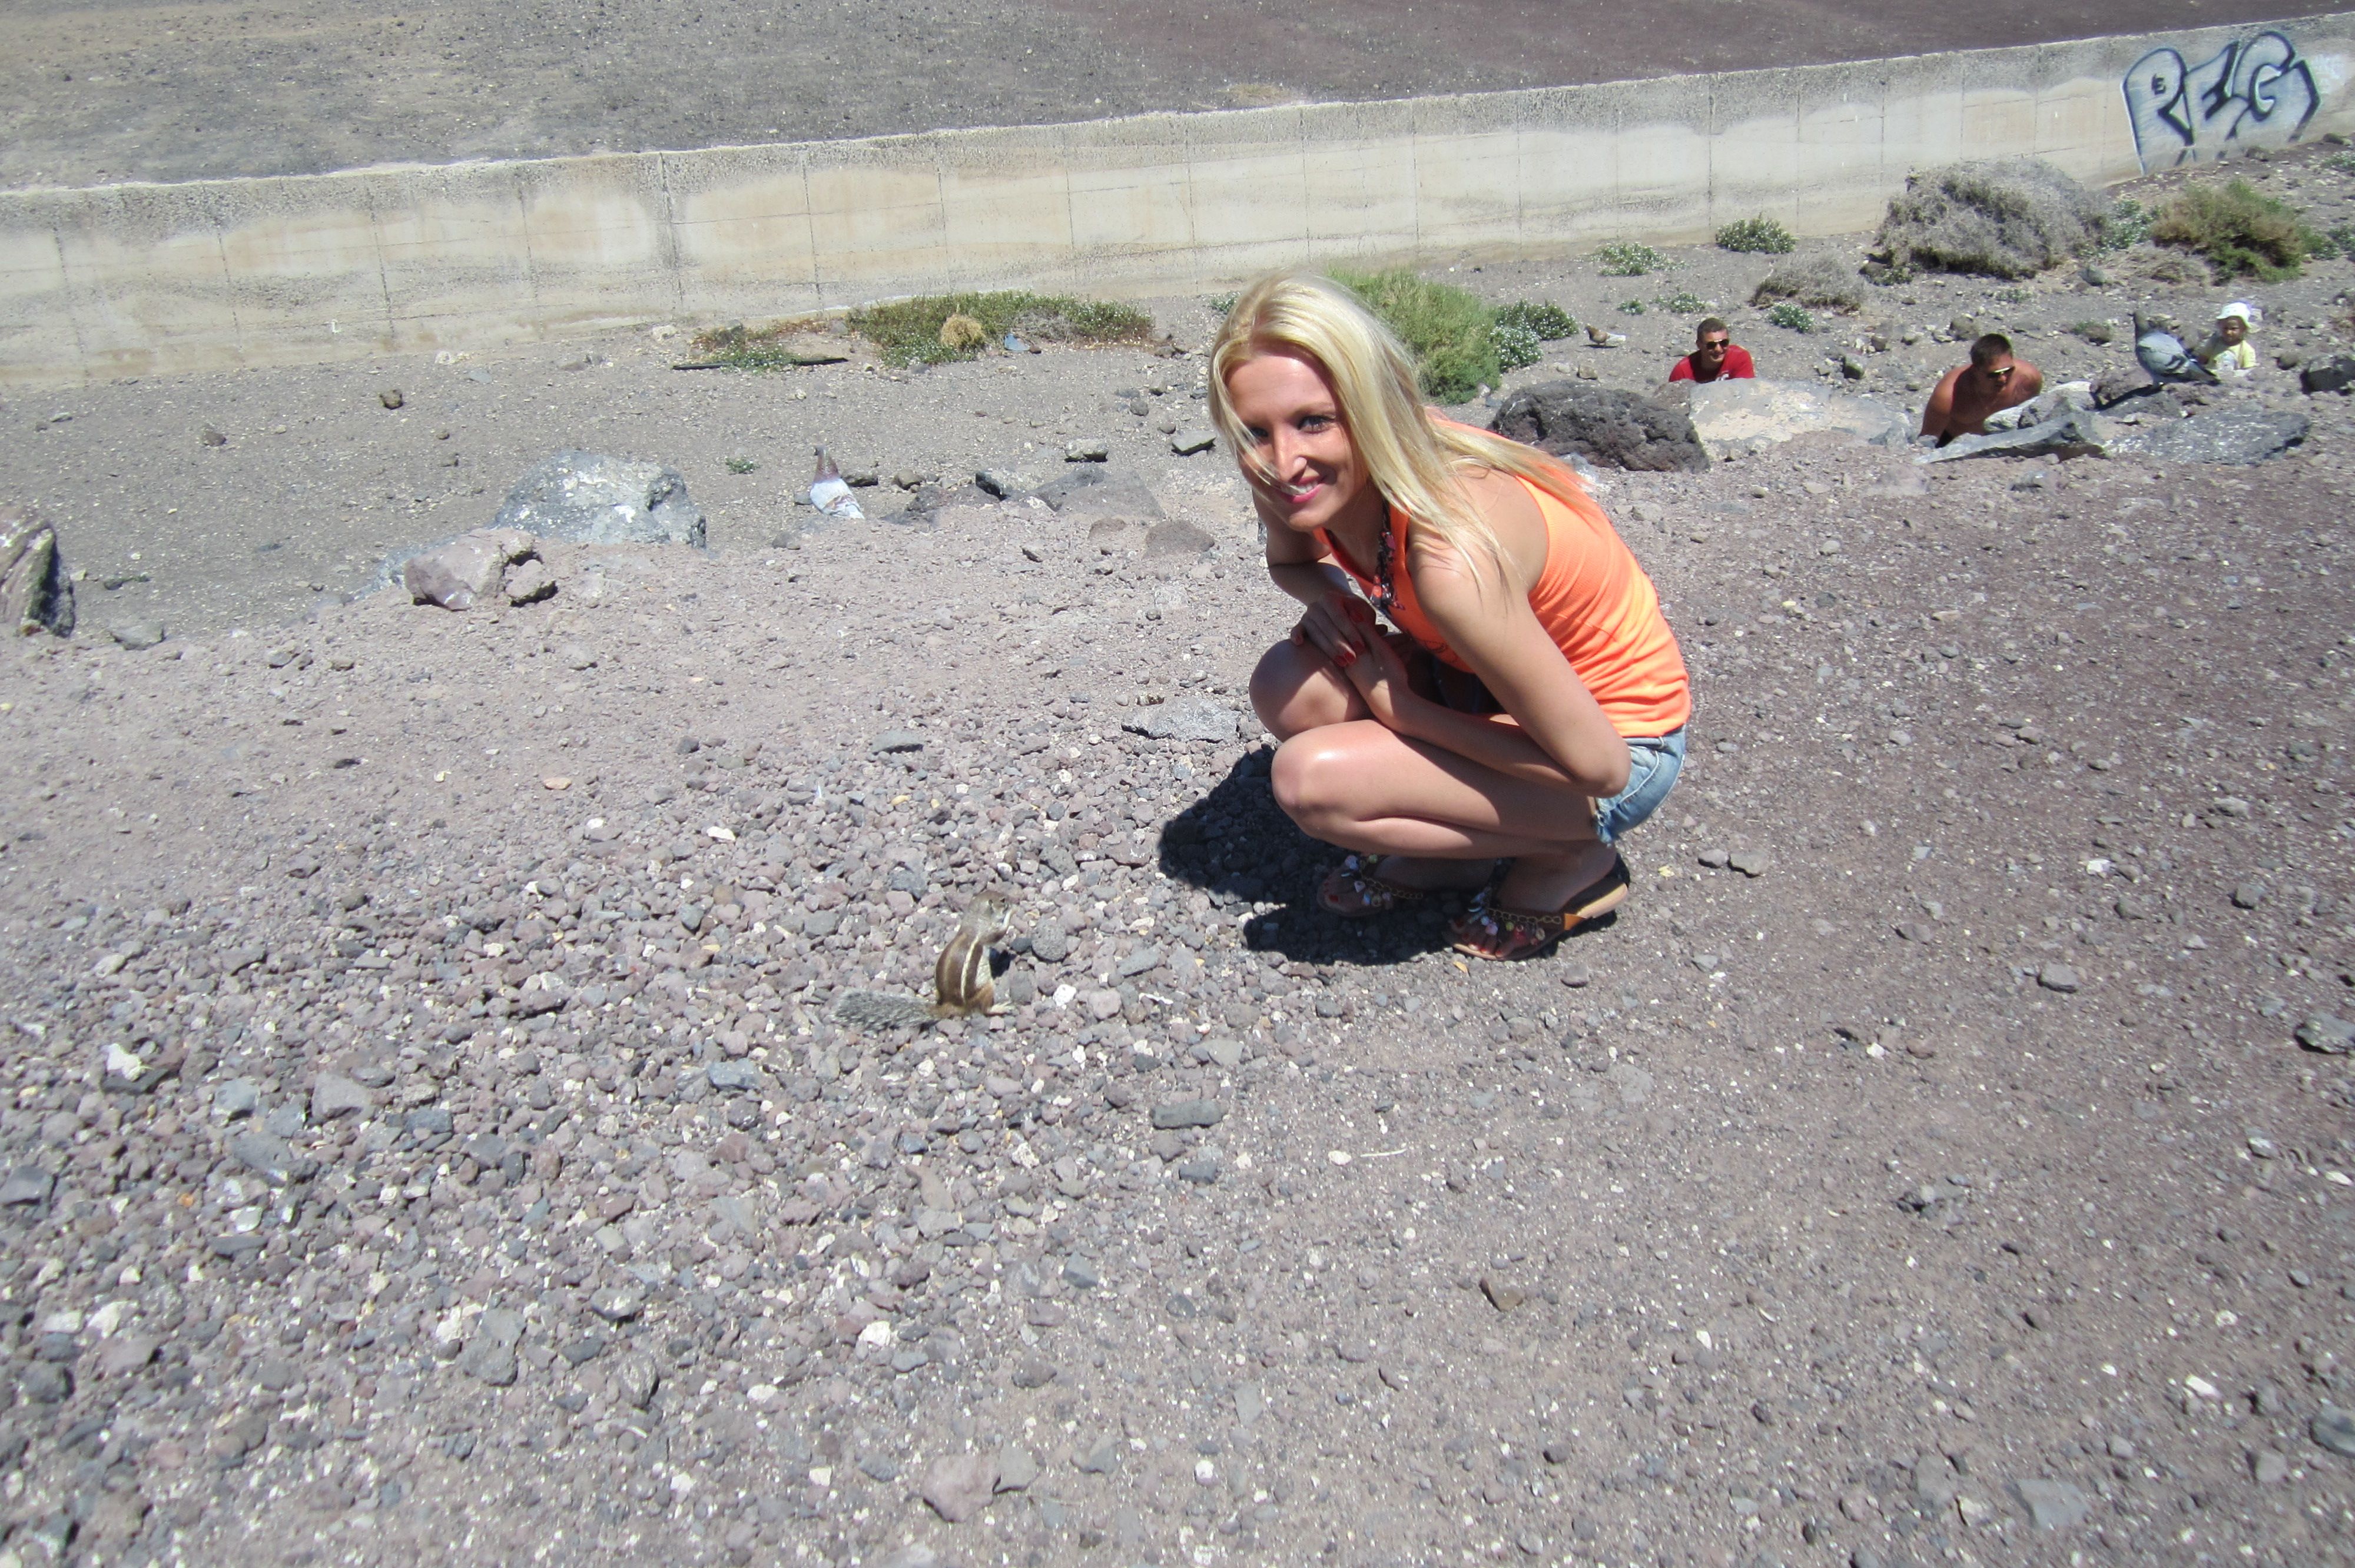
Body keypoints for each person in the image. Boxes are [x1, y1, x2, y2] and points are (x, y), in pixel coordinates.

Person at [1214, 272, 1691, 962]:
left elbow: (1601, 768)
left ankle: (1572, 857)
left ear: (1373, 407)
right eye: (1254, 432)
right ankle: (1456, 856)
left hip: (1616, 742)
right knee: (1293, 682)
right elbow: (1291, 566)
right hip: (1486, 687)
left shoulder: (1449, 557)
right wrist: (1340, 606)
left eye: (1314, 421)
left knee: (1308, 782)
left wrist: (1402, 710)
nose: (1284, 462)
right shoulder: (1285, 478)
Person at [1921, 333, 2042, 446]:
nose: (2003, 379)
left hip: (2007, 444)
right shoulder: (1949, 395)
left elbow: (2032, 418)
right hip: (1956, 446)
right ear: (1975, 371)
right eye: (1994, 375)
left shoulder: (2027, 379)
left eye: (2008, 371)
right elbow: (1928, 440)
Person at [1667, 318, 1754, 383]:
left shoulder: (1739, 358)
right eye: (1711, 345)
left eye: (1724, 343)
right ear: (1699, 345)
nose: (1718, 349)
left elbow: (1746, 394)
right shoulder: (1683, 371)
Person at [2198, 301, 2260, 376]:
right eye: (2225, 328)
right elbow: (2202, 359)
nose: (2228, 332)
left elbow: (2249, 370)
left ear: (2243, 329)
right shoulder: (2214, 343)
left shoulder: (2246, 349)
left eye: (2234, 329)